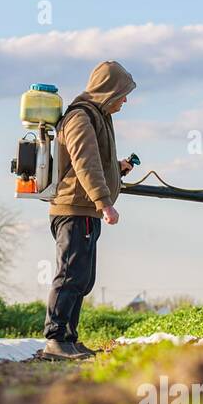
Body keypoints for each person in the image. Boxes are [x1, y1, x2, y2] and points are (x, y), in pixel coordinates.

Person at [40, 60, 137, 361]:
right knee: (70, 274)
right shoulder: (80, 117)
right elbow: (85, 163)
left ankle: (68, 338)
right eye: (122, 93)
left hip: (85, 210)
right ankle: (55, 339)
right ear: (107, 90)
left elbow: (96, 161)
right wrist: (104, 202)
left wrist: (116, 170)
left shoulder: (98, 115)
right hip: (76, 209)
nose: (125, 99)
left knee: (83, 277)